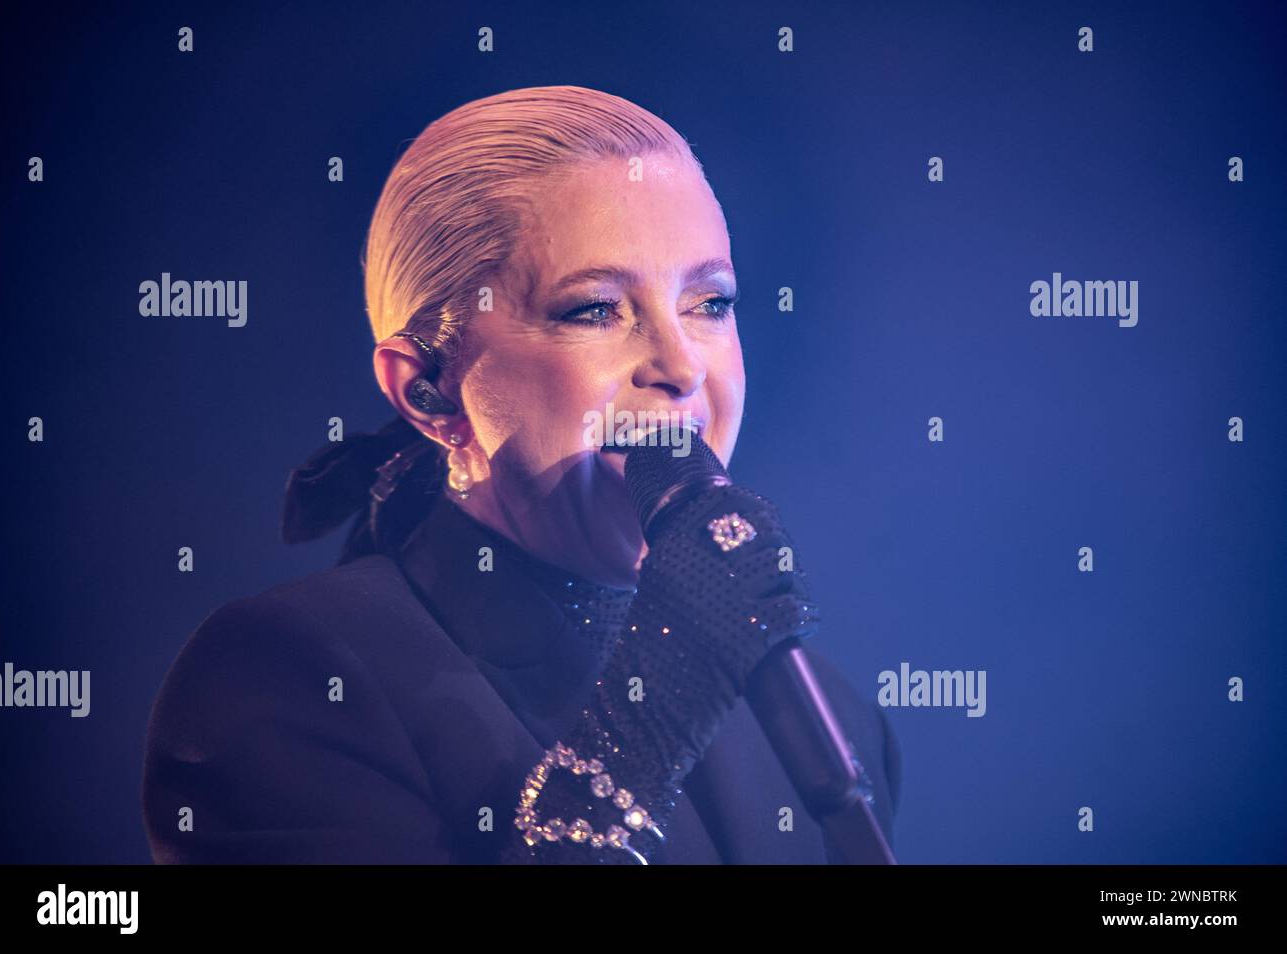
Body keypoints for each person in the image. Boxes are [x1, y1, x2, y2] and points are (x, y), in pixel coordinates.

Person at [141, 85, 902, 864]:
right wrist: (655, 712)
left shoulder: (833, 722)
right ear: (429, 392)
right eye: (595, 310)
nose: (680, 366)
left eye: (710, 302)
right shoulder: (285, 679)